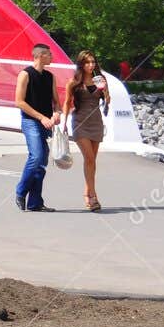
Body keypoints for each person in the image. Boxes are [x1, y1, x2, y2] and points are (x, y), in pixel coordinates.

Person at [14, 43, 62, 213]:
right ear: (41, 55)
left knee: (41, 163)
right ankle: (20, 192)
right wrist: (41, 117)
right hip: (31, 122)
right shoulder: (25, 74)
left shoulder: (50, 76)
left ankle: (35, 202)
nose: (52, 57)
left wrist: (57, 113)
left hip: (47, 122)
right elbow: (19, 101)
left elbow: (56, 101)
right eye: (49, 54)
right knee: (37, 156)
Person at [62, 49, 108, 212]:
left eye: (93, 62)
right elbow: (67, 103)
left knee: (92, 161)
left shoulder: (100, 80)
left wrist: (104, 90)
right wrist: (64, 123)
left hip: (96, 122)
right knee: (89, 158)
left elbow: (107, 101)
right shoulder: (73, 82)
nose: (91, 65)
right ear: (81, 64)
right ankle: (92, 195)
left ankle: (86, 192)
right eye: (87, 62)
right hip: (80, 122)